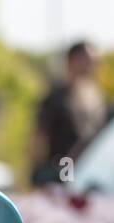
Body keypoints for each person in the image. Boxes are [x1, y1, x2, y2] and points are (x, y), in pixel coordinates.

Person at [30, 41, 105, 186]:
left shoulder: (96, 97)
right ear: (71, 61)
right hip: (60, 175)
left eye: (94, 62)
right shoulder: (55, 97)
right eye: (87, 61)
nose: (91, 67)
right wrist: (37, 176)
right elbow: (37, 139)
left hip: (90, 176)